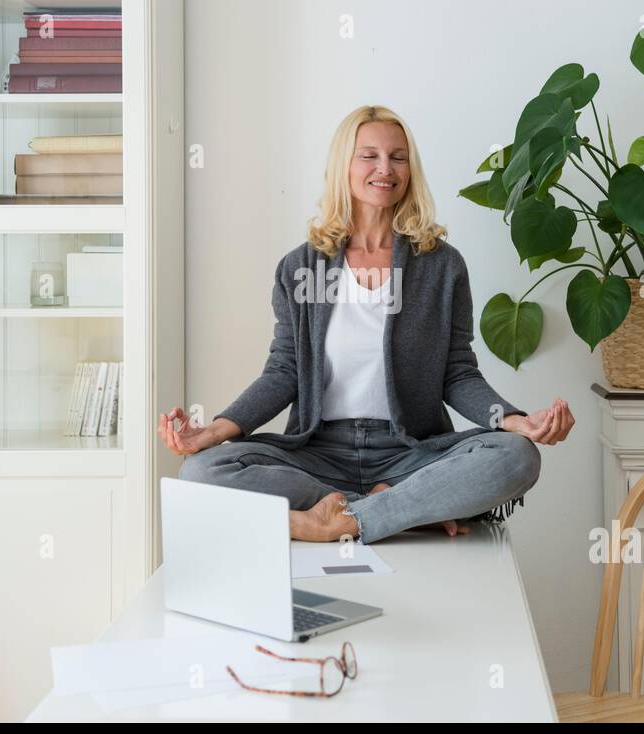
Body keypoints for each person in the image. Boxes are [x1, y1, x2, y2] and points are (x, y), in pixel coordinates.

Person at [157, 105, 574, 544]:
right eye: (368, 156)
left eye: (398, 157)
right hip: (319, 454)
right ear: (344, 166)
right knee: (201, 470)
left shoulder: (441, 266)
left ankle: (346, 516)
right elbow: (284, 372)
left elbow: (457, 372)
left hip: (410, 453)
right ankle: (402, 507)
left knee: (516, 457)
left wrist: (513, 420)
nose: (385, 169)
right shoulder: (302, 266)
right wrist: (213, 431)